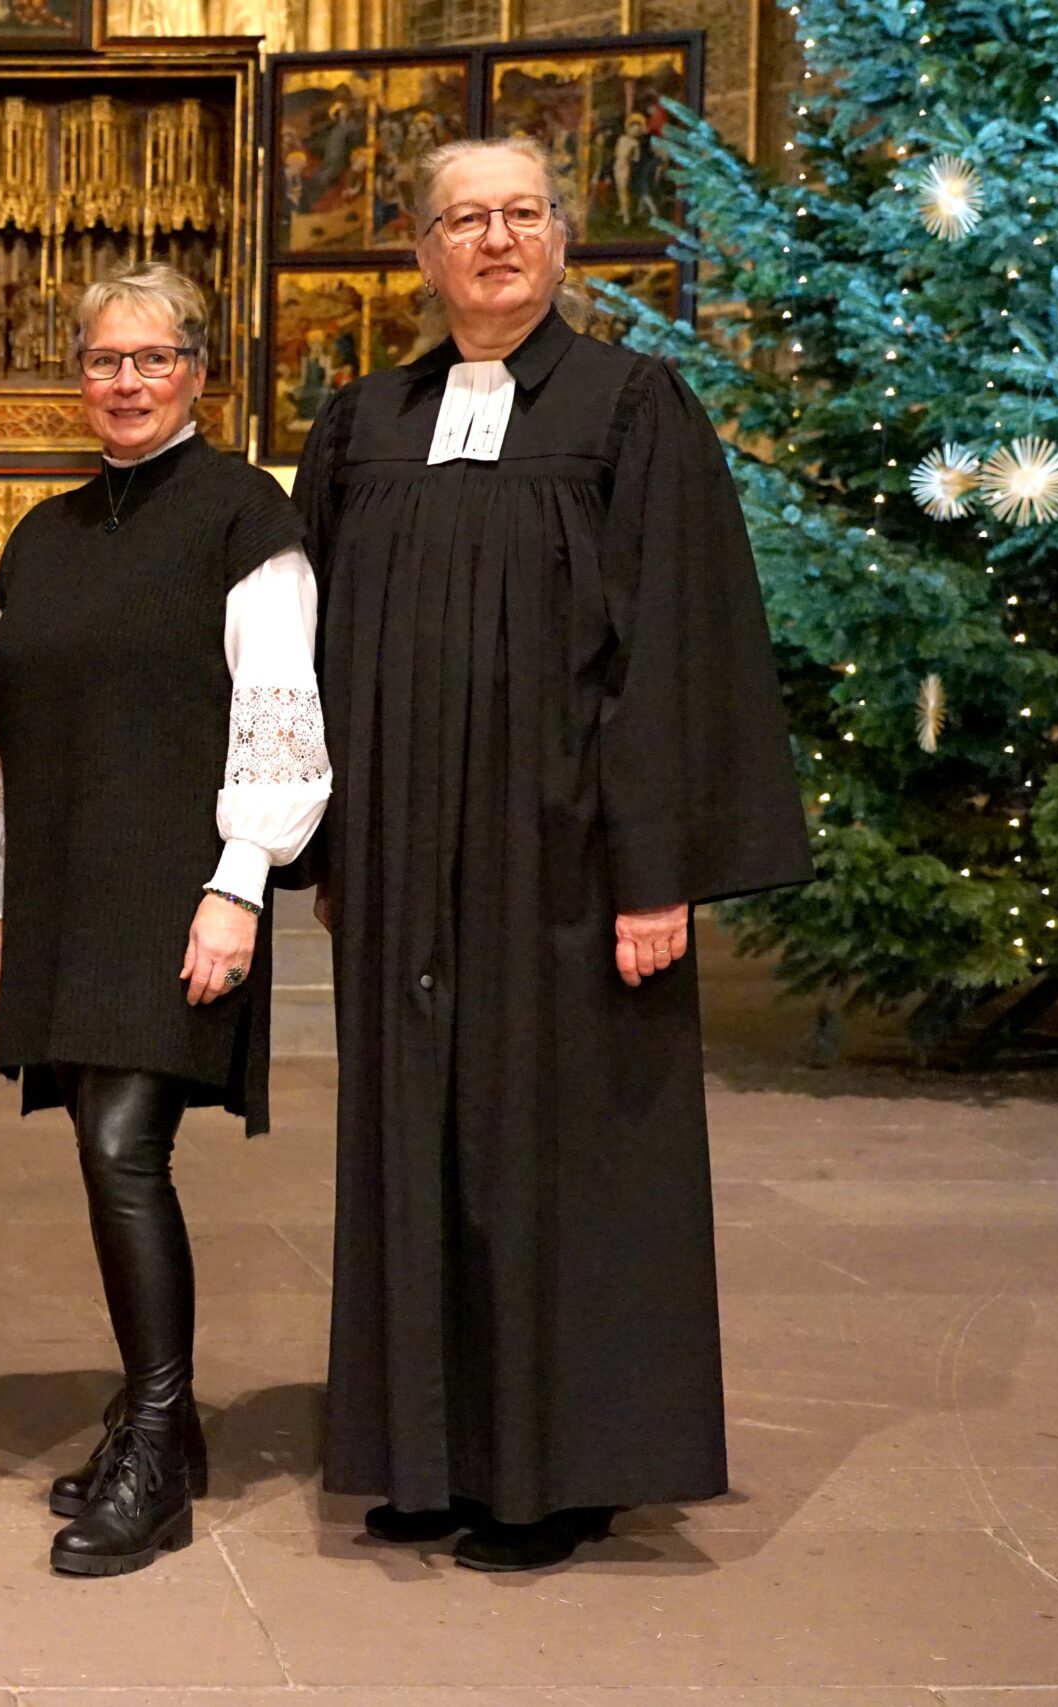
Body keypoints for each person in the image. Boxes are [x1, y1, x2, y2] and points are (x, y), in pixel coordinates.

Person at [294, 137, 812, 1572]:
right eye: (467, 219)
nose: (498, 241)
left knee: (556, 1150)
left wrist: (656, 868)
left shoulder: (631, 408)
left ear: (564, 241)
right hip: (404, 862)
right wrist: (332, 843)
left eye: (524, 214)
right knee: (414, 1139)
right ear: (421, 251)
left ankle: (554, 1475)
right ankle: (427, 1452)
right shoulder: (364, 423)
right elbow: (316, 649)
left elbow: (677, 651)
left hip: (566, 861)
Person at [0, 264, 330, 1577]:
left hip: (177, 883)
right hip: (64, 884)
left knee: (125, 1146)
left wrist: (240, 881)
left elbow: (281, 707)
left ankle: (162, 1441)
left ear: (201, 372)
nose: (126, 382)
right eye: (104, 360)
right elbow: (8, 731)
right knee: (96, 1144)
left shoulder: (243, 516)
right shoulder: (45, 534)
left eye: (154, 358)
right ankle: (146, 1416)